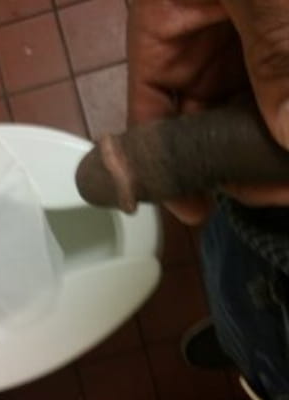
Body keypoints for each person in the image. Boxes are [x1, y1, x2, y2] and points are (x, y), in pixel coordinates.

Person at [76, 1, 289, 399]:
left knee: (269, 364)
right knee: (235, 279)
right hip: (263, 233)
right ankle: (242, 335)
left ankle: (260, 359)